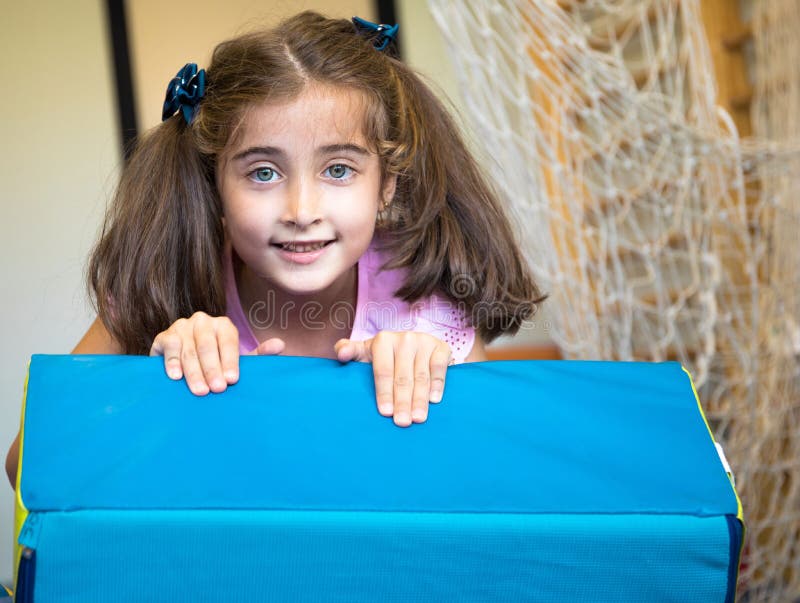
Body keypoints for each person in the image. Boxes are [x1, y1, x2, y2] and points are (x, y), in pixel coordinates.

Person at [5, 11, 543, 486]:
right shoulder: (160, 289)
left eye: (338, 169)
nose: (301, 209)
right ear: (215, 187)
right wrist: (153, 392)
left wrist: (437, 388)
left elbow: (497, 488)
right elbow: (27, 467)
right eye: (263, 172)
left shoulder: (427, 307)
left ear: (386, 186)